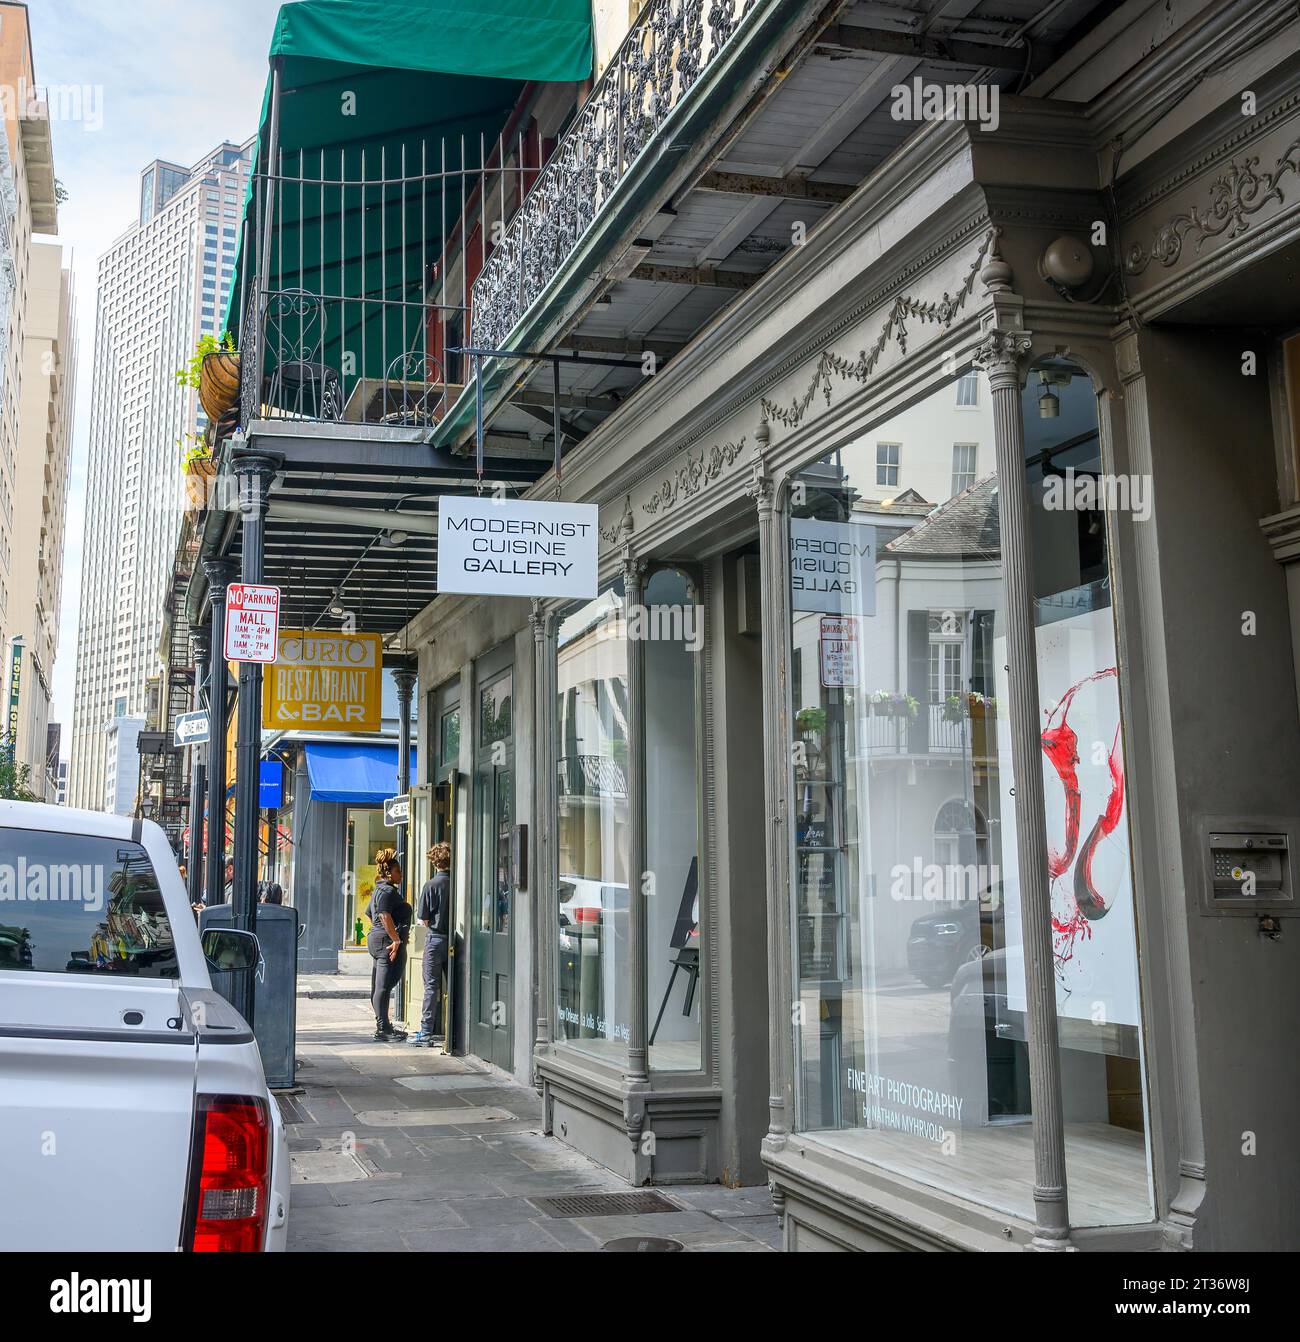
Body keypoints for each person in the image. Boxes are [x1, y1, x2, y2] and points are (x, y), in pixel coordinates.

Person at [366, 848, 411, 1041]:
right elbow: (383, 915)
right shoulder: (388, 891)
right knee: (383, 986)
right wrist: (395, 939)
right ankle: (382, 1028)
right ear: (388, 872)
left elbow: (370, 913)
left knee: (379, 985)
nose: (400, 874)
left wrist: (380, 931)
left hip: (377, 939)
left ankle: (384, 1025)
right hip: (386, 941)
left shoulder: (379, 890)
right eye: (398, 871)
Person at [410, 842, 451, 1047]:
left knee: (431, 986)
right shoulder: (456, 884)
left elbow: (423, 919)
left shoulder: (430, 885)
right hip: (453, 941)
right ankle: (454, 1029)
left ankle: (426, 1031)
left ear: (434, 862)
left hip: (434, 940)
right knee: (454, 985)